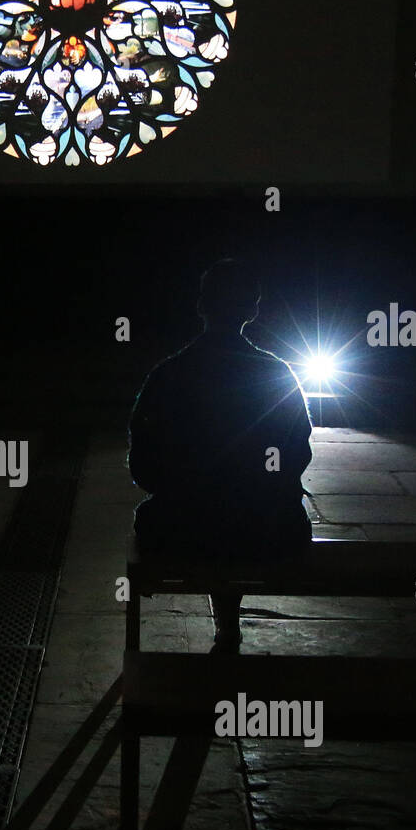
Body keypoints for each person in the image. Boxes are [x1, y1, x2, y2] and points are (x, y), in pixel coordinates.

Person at [127, 260, 313, 653]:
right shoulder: (277, 375)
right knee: (248, 517)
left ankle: (222, 628)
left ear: (201, 307)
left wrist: (190, 483)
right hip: (268, 532)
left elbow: (143, 465)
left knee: (170, 519)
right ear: (252, 310)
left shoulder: (168, 376)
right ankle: (228, 626)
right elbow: (296, 454)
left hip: (184, 529)